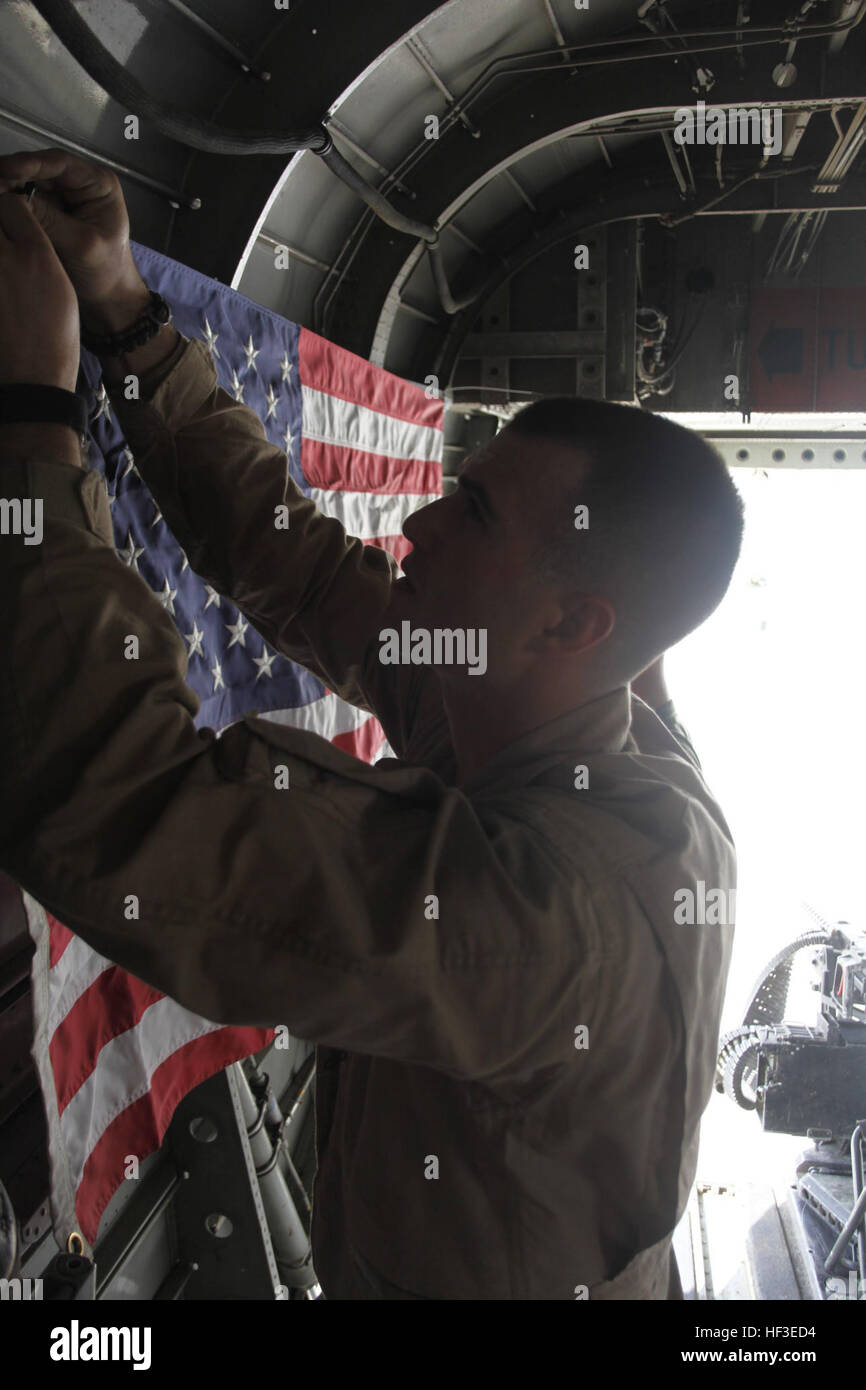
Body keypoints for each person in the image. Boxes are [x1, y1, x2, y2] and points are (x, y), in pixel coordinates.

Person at [0, 149, 743, 1301]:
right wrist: (122, 311)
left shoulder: (549, 920)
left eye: (475, 512)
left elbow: (136, 820)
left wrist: (33, 416)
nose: (418, 525)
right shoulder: (563, 717)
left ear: (570, 622)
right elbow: (301, 571)